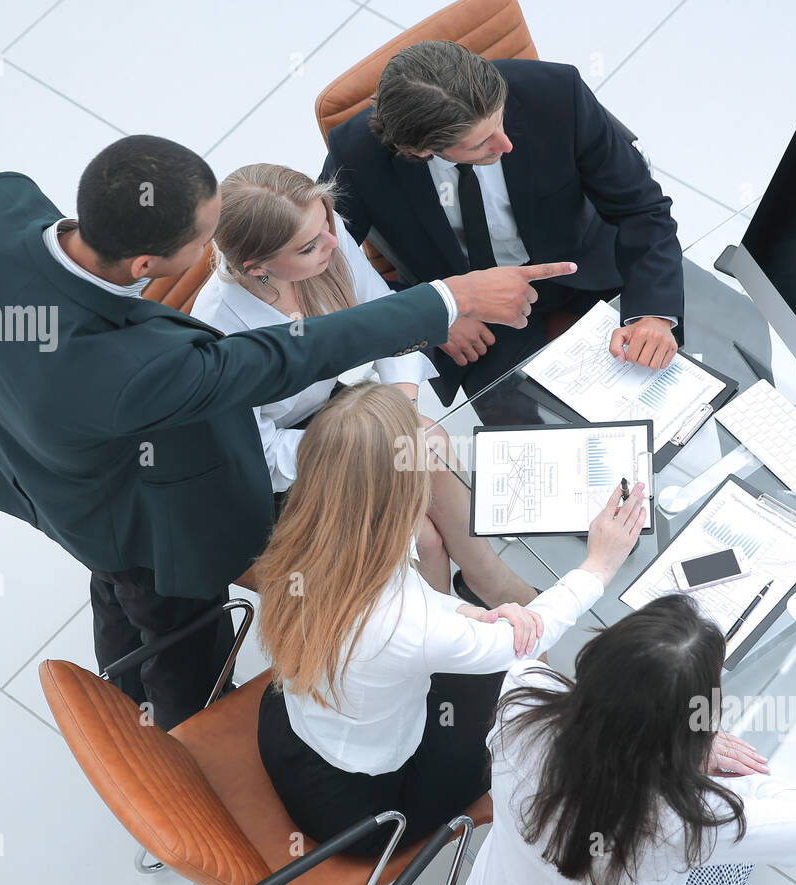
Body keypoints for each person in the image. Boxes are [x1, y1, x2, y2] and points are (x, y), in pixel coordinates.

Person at [0, 134, 574, 730]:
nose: (210, 251)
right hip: (123, 514)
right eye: (201, 239)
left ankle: (121, 691)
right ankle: (181, 755)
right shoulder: (145, 368)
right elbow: (288, 357)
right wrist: (448, 300)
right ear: (145, 264)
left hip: (24, 443)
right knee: (174, 636)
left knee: (112, 600)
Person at [254, 382, 648, 855]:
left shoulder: (304, 533)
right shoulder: (402, 617)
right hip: (365, 809)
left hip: (291, 732)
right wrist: (599, 566)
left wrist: (457, 611)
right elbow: (520, 641)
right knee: (515, 678)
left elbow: (409, 610)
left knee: (468, 634)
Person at [190, 164, 536, 608]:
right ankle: (477, 600)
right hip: (276, 467)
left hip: (327, 413)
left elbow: (390, 322)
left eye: (327, 222)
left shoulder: (324, 239)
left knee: (424, 440)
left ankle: (482, 579)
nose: (334, 244)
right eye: (311, 245)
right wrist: (369, 443)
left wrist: (402, 406)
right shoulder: (219, 331)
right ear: (258, 268)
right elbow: (259, 459)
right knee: (425, 541)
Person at [321, 40, 686, 415]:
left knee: (673, 400)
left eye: (501, 120)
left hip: (588, 272)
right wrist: (433, 313)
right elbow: (327, 269)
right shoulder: (357, 155)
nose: (506, 144)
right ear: (419, 150)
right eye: (482, 143)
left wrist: (653, 315)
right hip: (475, 320)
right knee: (531, 452)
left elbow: (642, 207)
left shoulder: (557, 92)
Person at [464, 593, 796, 885]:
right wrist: (702, 761)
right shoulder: (688, 818)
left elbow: (518, 649)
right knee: (738, 858)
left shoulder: (521, 699)